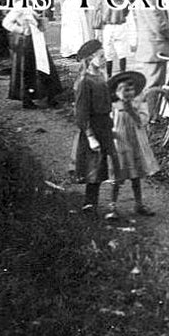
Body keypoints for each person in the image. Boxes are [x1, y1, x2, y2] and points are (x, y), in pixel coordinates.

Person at [70, 39, 119, 216]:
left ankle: (110, 204)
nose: (105, 59)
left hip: (105, 125)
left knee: (107, 164)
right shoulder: (84, 81)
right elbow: (81, 113)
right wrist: (90, 136)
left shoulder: (101, 76)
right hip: (94, 128)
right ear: (90, 59)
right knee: (93, 168)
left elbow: (105, 99)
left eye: (104, 55)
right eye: (101, 56)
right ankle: (90, 204)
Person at [2, 0, 62, 109]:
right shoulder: (19, 5)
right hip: (27, 40)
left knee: (45, 66)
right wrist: (21, 30)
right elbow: (6, 22)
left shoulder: (36, 2)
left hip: (38, 37)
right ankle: (26, 99)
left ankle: (49, 96)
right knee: (27, 69)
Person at [106, 70, 160, 220]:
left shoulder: (138, 104)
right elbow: (108, 124)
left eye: (131, 90)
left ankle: (138, 203)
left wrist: (131, 110)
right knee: (117, 176)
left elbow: (142, 121)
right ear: (116, 92)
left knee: (136, 174)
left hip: (135, 142)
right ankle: (112, 206)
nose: (128, 93)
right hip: (120, 143)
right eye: (124, 90)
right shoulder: (113, 106)